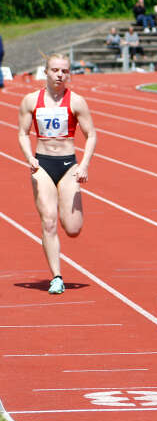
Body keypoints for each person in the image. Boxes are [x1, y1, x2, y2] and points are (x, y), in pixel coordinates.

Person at [16, 54, 97, 294]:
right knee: (48, 221)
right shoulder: (31, 101)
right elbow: (22, 132)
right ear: (46, 72)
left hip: (69, 165)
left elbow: (91, 134)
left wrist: (84, 165)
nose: (60, 74)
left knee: (72, 228)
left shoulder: (76, 102)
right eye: (55, 70)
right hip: (42, 165)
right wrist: (29, 157)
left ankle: (69, 208)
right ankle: (57, 277)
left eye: (64, 70)